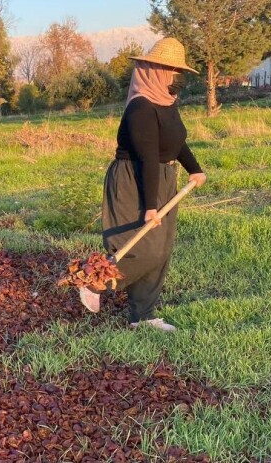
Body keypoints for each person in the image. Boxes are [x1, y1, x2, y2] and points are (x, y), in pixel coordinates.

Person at [78, 38, 206, 331]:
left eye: (178, 70)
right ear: (154, 71)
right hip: (132, 179)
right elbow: (147, 155)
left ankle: (143, 316)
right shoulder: (141, 107)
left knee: (161, 250)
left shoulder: (167, 101)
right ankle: (94, 283)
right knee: (141, 249)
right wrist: (150, 206)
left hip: (160, 178)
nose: (177, 76)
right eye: (171, 70)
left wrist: (194, 169)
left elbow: (175, 141)